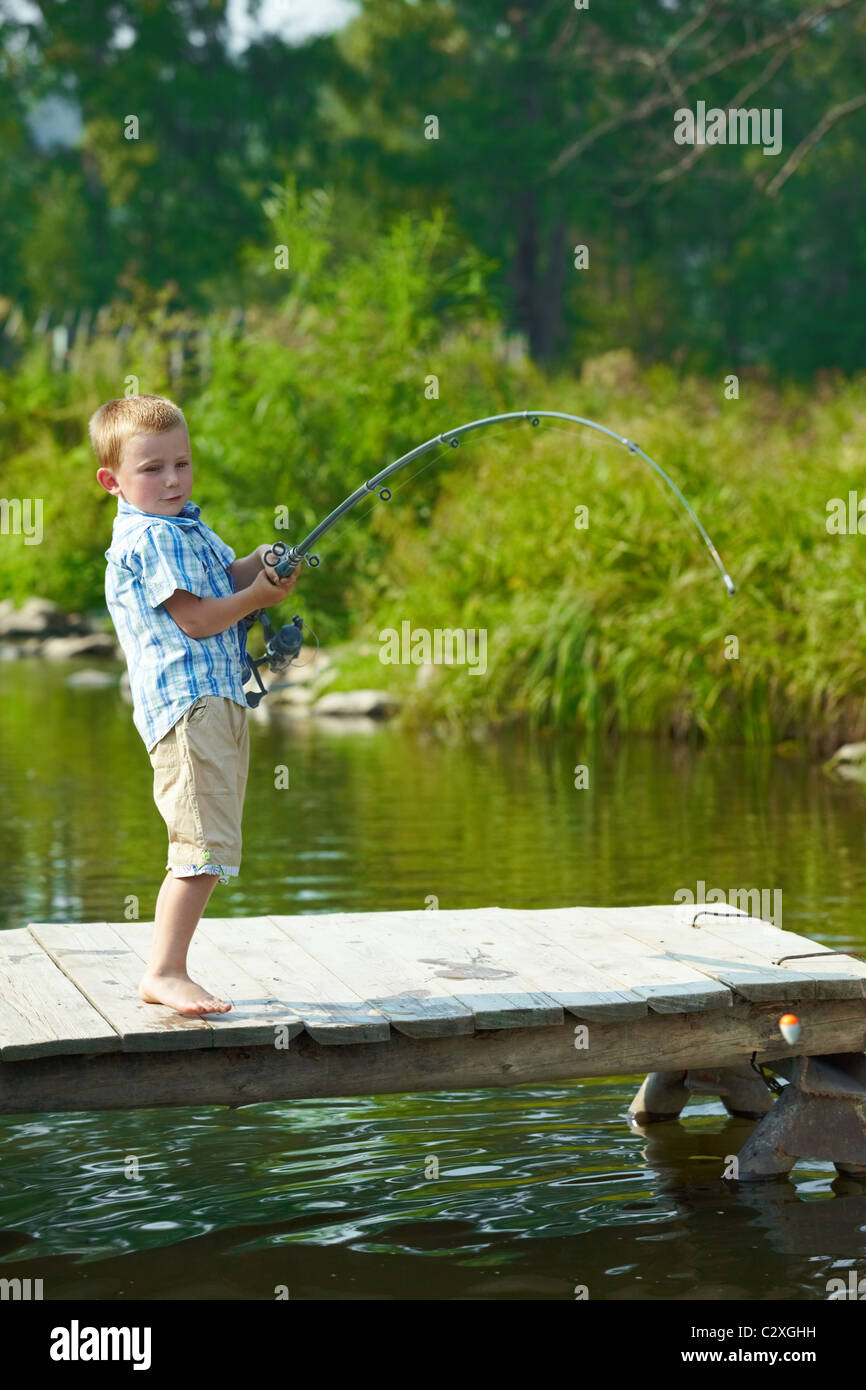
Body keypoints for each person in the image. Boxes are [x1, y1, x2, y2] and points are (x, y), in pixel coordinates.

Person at [91, 393, 299, 1016]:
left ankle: (169, 967)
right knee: (200, 845)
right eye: (152, 469)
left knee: (213, 843)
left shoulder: (185, 527)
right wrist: (256, 598)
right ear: (113, 481)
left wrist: (256, 568)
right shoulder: (148, 539)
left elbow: (219, 587)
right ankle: (165, 971)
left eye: (181, 463)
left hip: (219, 700)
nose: (172, 479)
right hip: (188, 708)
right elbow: (200, 620)